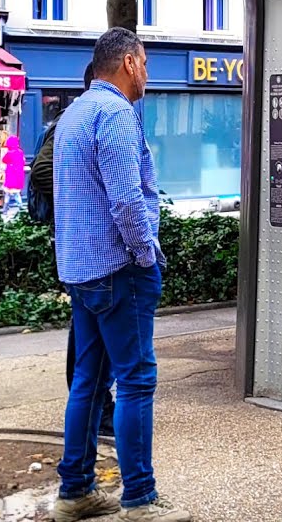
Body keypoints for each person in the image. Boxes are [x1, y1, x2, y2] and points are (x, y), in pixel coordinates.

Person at [52, 28, 188, 522]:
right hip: (119, 271)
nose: (148, 72)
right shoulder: (115, 114)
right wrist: (147, 255)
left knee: (88, 379)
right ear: (129, 63)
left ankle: (75, 492)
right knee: (135, 380)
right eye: (146, 62)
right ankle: (140, 499)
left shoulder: (74, 113)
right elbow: (128, 200)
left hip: (81, 271)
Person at [27, 63, 117, 437]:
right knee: (87, 327)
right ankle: (96, 405)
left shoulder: (80, 119)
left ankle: (94, 405)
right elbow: (42, 172)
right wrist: (82, 202)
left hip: (78, 240)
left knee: (89, 325)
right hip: (81, 240)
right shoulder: (75, 121)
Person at [1, 135, 26, 219]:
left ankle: (5, 208)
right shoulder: (20, 152)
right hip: (18, 175)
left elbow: (4, 160)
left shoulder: (9, 153)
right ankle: (21, 208)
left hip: (10, 176)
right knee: (16, 193)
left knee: (8, 193)